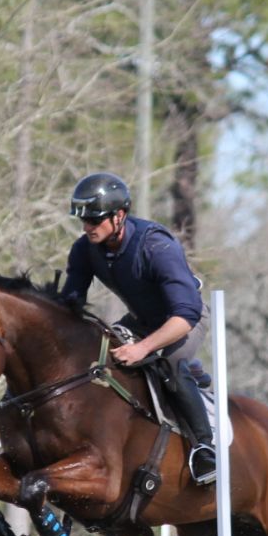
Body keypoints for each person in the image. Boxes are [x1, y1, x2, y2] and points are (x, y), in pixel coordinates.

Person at [60, 171, 216, 485]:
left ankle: (204, 448)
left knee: (170, 363)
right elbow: (70, 303)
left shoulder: (155, 246)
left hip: (184, 320)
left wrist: (144, 348)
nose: (87, 227)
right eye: (84, 221)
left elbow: (185, 314)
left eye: (94, 219)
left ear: (119, 216)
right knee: (102, 354)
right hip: (141, 320)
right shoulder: (85, 249)